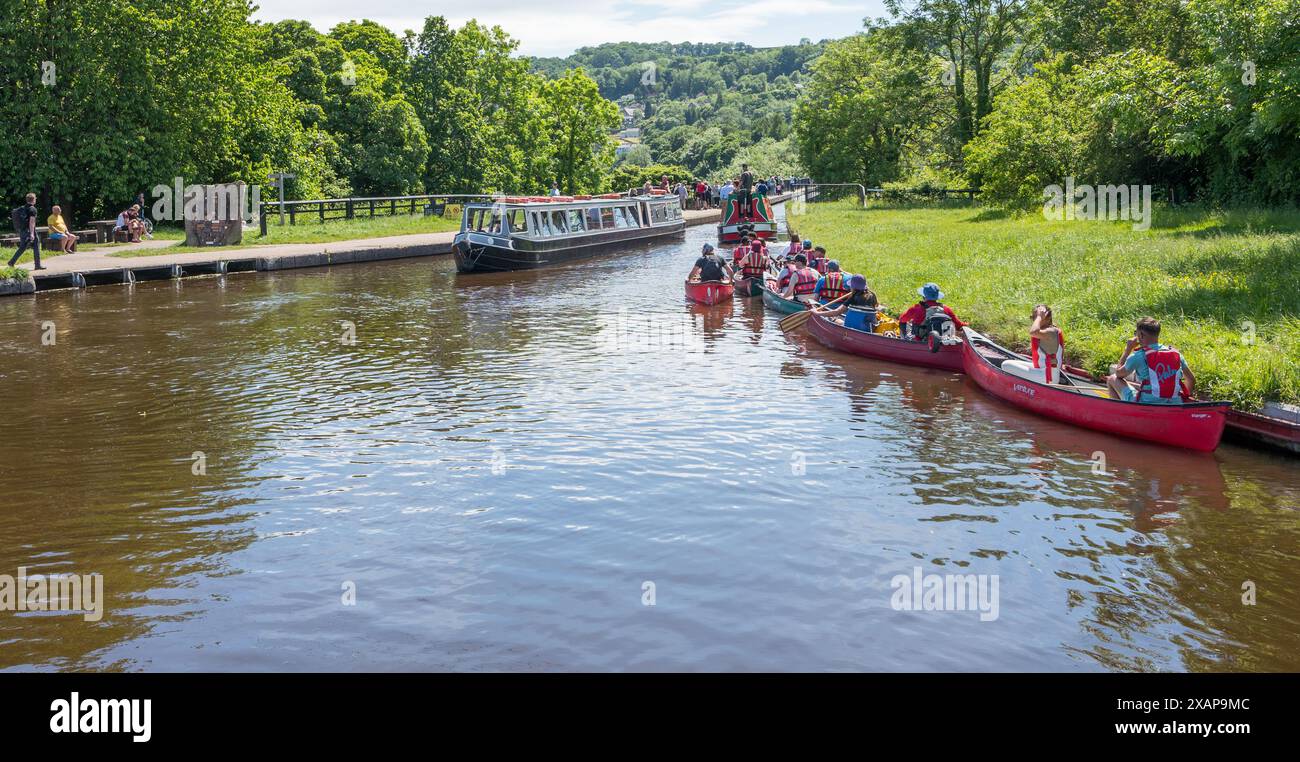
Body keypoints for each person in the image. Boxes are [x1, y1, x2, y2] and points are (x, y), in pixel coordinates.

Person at [1106, 317, 1195, 404]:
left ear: (1140, 334)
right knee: (1139, 385)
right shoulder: (1176, 353)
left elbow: (1118, 374)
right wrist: (1182, 398)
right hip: (1175, 403)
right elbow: (1191, 379)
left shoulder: (1138, 356)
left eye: (1135, 333)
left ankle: (1122, 413)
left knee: (1112, 378)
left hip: (1147, 403)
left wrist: (1127, 350)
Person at [898, 282, 965, 341]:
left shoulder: (917, 308)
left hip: (920, 340)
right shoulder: (946, 309)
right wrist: (966, 324)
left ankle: (904, 340)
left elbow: (902, 319)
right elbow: (959, 325)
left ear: (924, 295)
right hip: (942, 340)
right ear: (937, 296)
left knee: (903, 323)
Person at [813, 275, 879, 327]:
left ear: (853, 287)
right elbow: (876, 306)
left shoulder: (853, 298)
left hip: (852, 326)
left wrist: (817, 313)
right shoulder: (873, 295)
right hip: (868, 327)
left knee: (834, 319)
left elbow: (837, 312)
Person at [1029, 304, 1065, 383]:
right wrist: (1039, 317)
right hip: (1041, 371)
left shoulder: (1051, 332)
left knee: (1006, 365)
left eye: (1037, 317)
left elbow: (1033, 332)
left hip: (1048, 377)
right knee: (1011, 363)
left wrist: (1039, 317)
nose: (1034, 320)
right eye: (1033, 317)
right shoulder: (1044, 331)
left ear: (1048, 318)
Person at [8, 193, 44, 269]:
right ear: (34, 200)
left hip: (22, 230)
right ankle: (37, 265)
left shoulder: (22, 208)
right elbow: (32, 222)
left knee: (22, 247)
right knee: (36, 245)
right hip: (29, 231)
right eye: (35, 199)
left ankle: (11, 262)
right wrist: (31, 234)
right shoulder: (32, 209)